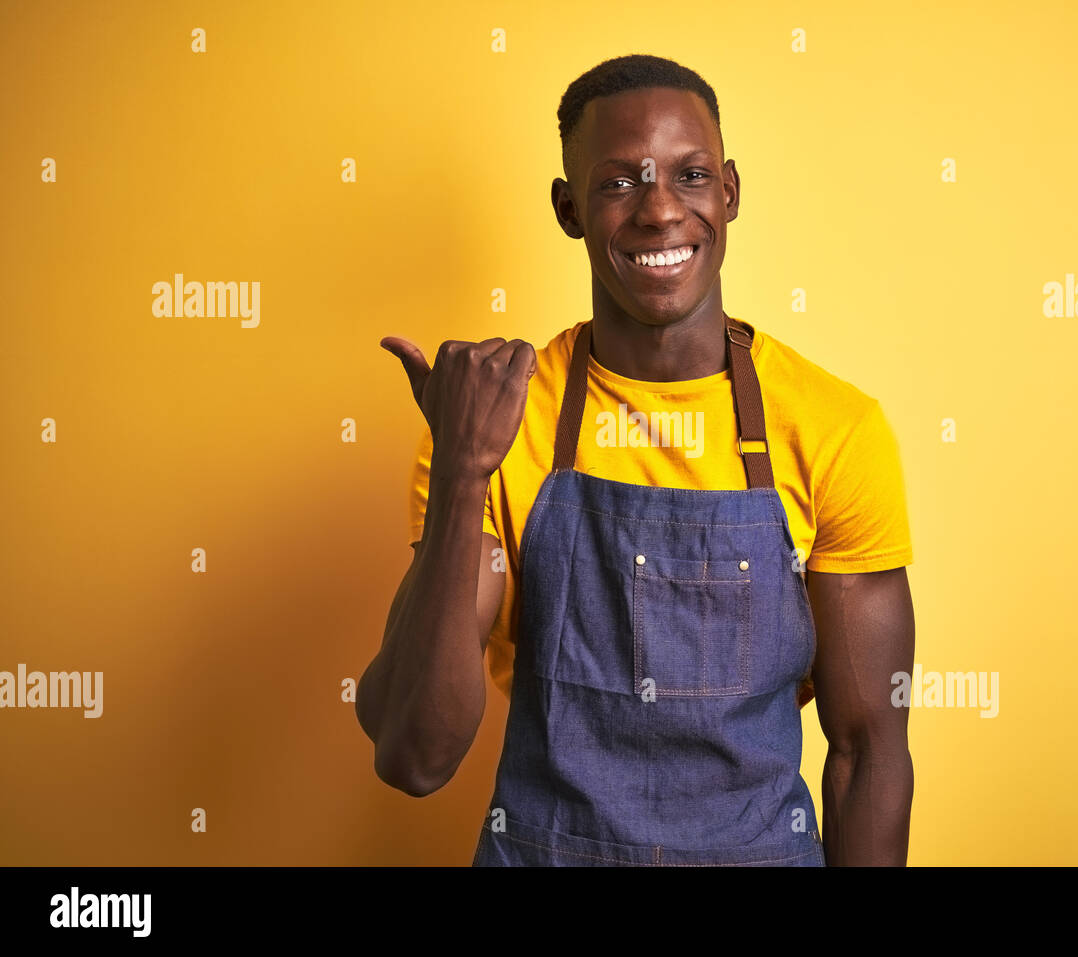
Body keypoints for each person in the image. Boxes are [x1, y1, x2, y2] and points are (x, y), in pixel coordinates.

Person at [357, 54, 916, 866]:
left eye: (689, 175)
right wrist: (461, 475)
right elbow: (415, 753)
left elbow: (868, 751)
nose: (660, 211)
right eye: (620, 183)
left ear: (729, 191)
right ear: (568, 207)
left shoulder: (834, 428)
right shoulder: (499, 423)